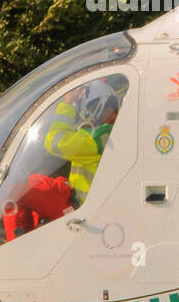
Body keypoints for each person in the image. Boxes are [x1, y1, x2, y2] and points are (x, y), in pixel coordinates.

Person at [44, 78, 122, 206]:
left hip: (88, 211)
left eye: (87, 109)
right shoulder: (112, 130)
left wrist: (68, 104)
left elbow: (54, 141)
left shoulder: (97, 137)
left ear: (98, 106)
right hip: (89, 206)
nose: (86, 115)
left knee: (33, 187)